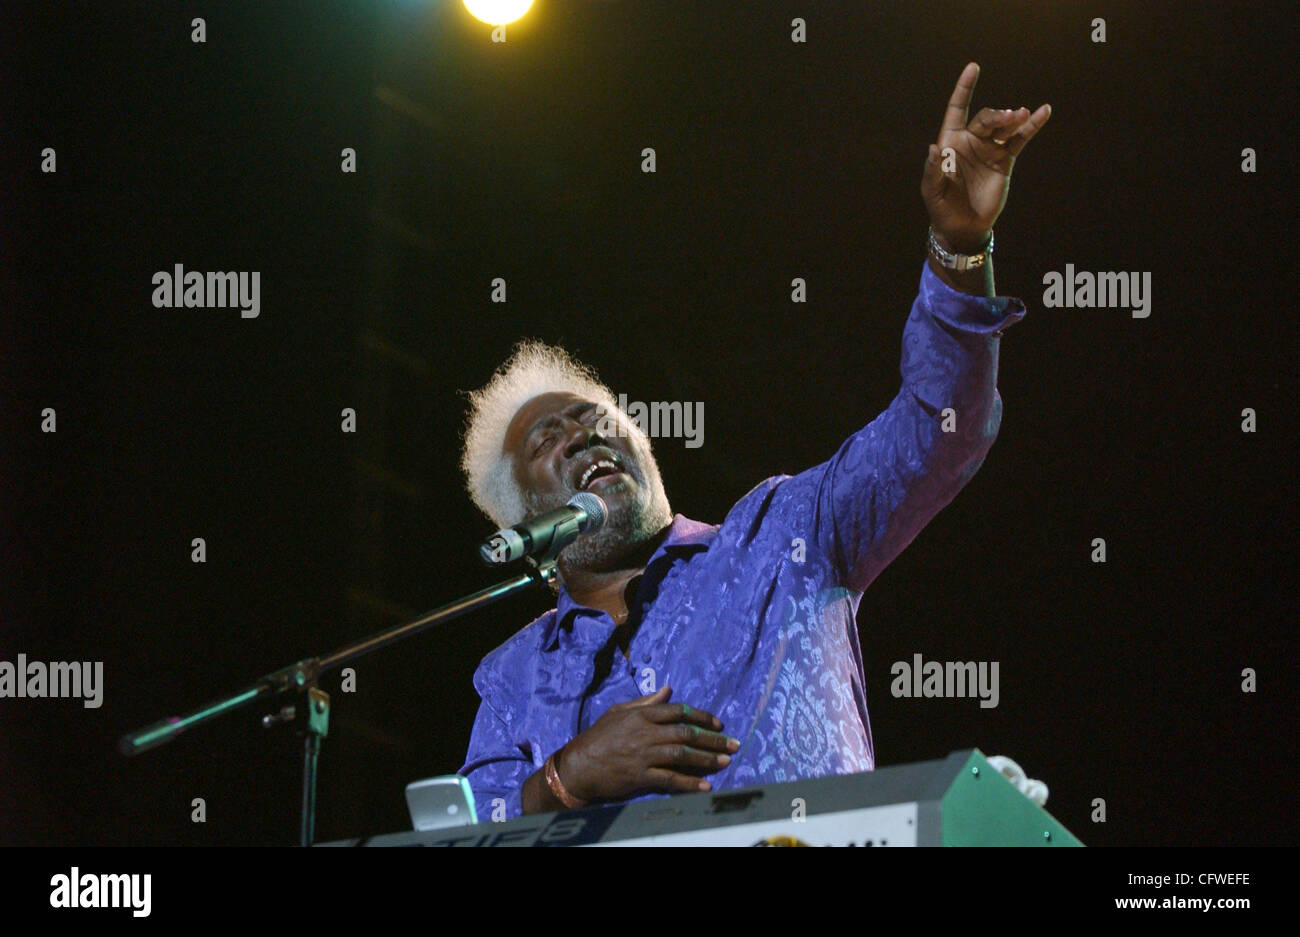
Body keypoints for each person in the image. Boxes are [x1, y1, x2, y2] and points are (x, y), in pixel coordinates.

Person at [456, 63, 1050, 822]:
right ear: (521, 517)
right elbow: (462, 831)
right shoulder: (511, 677)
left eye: (597, 418)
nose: (583, 434)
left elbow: (939, 431)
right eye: (549, 437)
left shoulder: (784, 534)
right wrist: (567, 778)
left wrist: (958, 250)